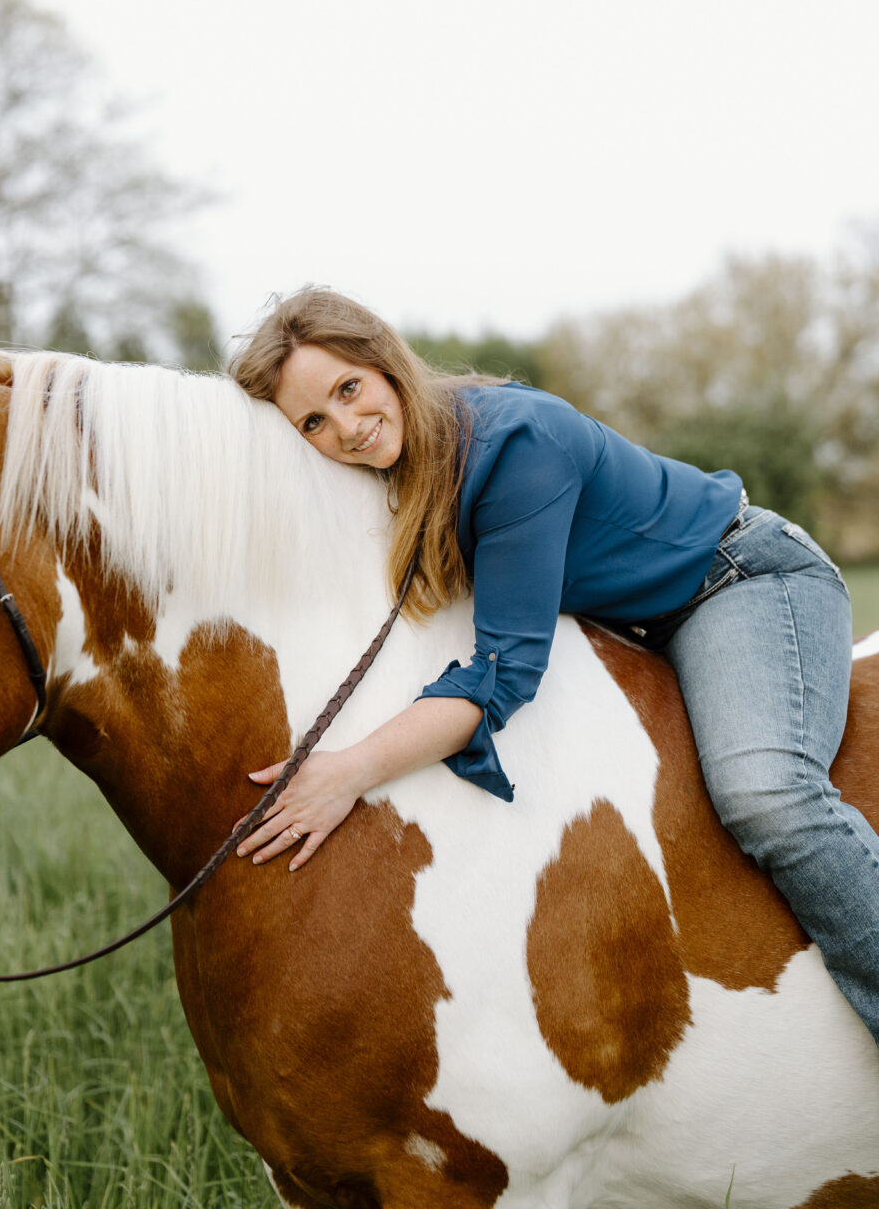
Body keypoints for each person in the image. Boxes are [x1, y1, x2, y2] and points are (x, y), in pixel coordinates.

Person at [228, 286, 879, 1046]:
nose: (346, 427)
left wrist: (351, 770)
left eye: (349, 389)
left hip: (736, 580)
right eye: (313, 421)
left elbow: (502, 671)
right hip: (633, 623)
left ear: (385, 362)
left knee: (764, 792)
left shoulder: (513, 446)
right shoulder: (397, 463)